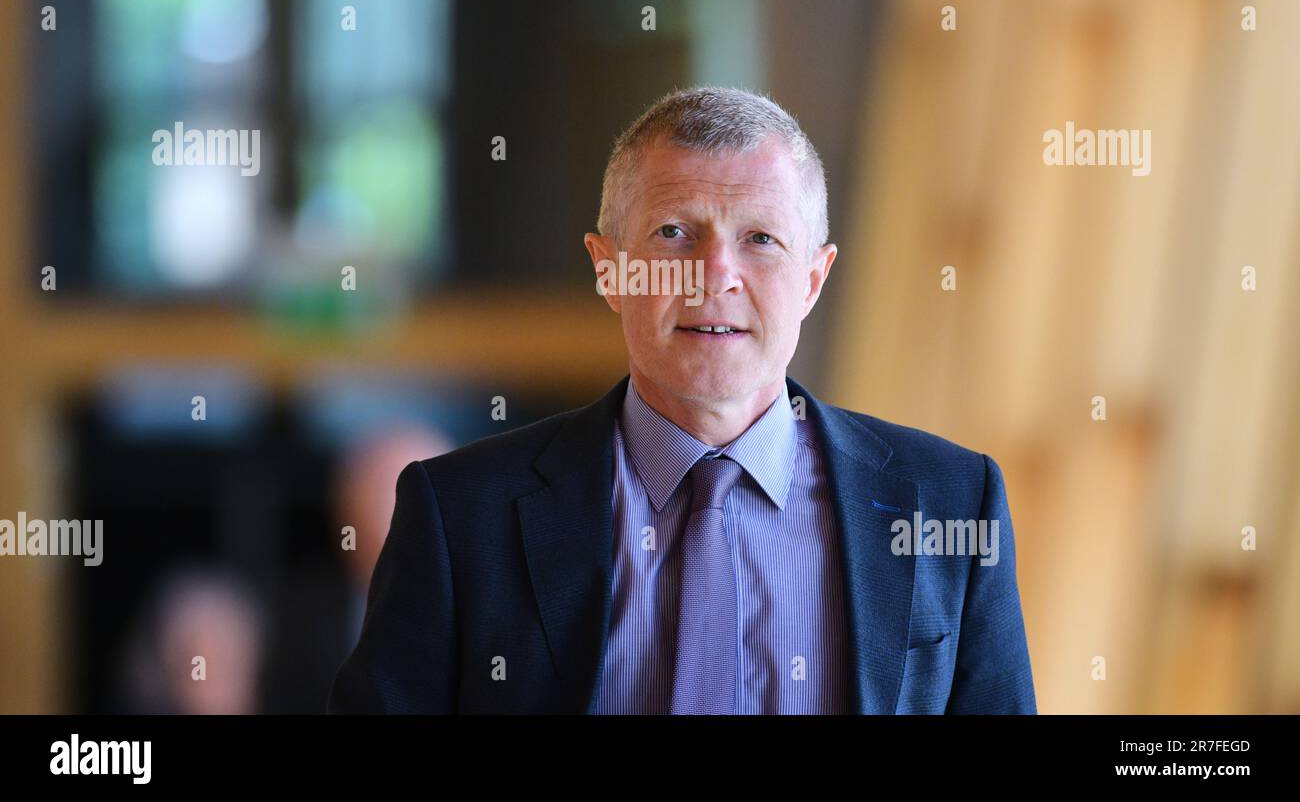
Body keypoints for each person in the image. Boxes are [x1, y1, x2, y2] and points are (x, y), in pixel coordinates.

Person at [328, 86, 1036, 714]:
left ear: (814, 281)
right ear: (608, 270)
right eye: (675, 234)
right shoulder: (460, 516)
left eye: (760, 239)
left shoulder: (948, 501)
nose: (715, 276)